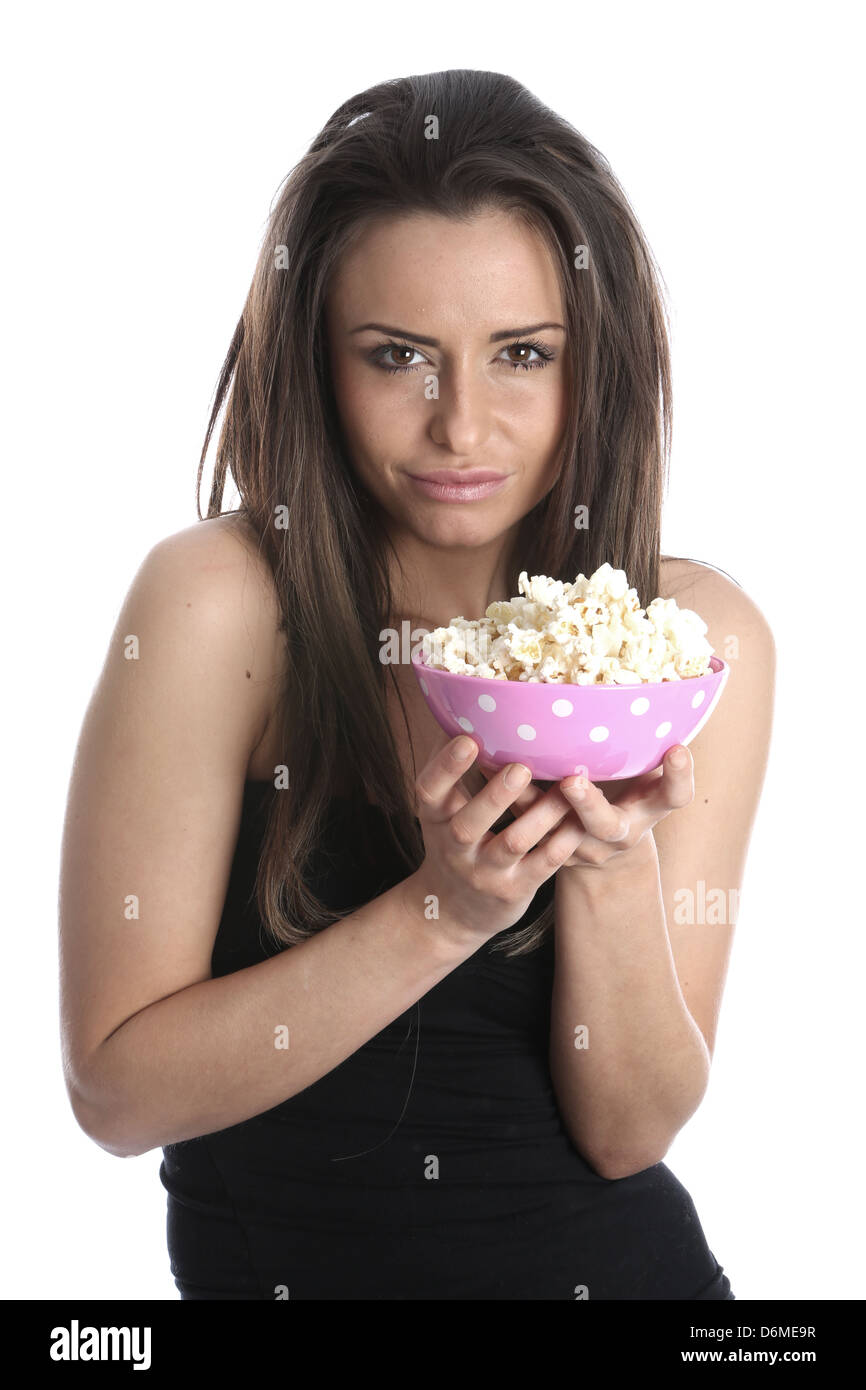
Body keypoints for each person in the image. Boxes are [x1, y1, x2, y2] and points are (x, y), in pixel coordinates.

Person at [59, 69, 775, 1299]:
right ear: (315, 363)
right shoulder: (219, 605)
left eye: (520, 355)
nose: (460, 427)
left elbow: (631, 1131)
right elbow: (117, 1093)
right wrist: (443, 907)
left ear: (591, 362)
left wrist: (605, 866)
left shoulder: (686, 639)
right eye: (397, 355)